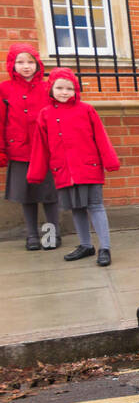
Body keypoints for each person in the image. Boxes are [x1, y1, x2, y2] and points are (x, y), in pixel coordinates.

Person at [26, 69, 119, 267]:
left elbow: (101, 138)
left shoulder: (86, 110)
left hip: (88, 168)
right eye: (59, 88)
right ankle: (86, 245)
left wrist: (110, 161)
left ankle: (105, 248)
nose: (64, 92)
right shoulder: (45, 115)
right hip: (63, 171)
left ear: (76, 90)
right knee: (76, 208)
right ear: (50, 89)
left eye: (69, 88)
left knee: (95, 206)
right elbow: (40, 146)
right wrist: (36, 172)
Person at [1, 43, 60, 250]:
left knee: (50, 195)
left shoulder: (48, 87)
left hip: (46, 150)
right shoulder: (4, 89)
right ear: (12, 64)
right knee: (27, 196)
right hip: (19, 151)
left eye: (30, 62)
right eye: (20, 62)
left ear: (38, 64)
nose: (26, 66)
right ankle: (32, 235)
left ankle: (52, 234)